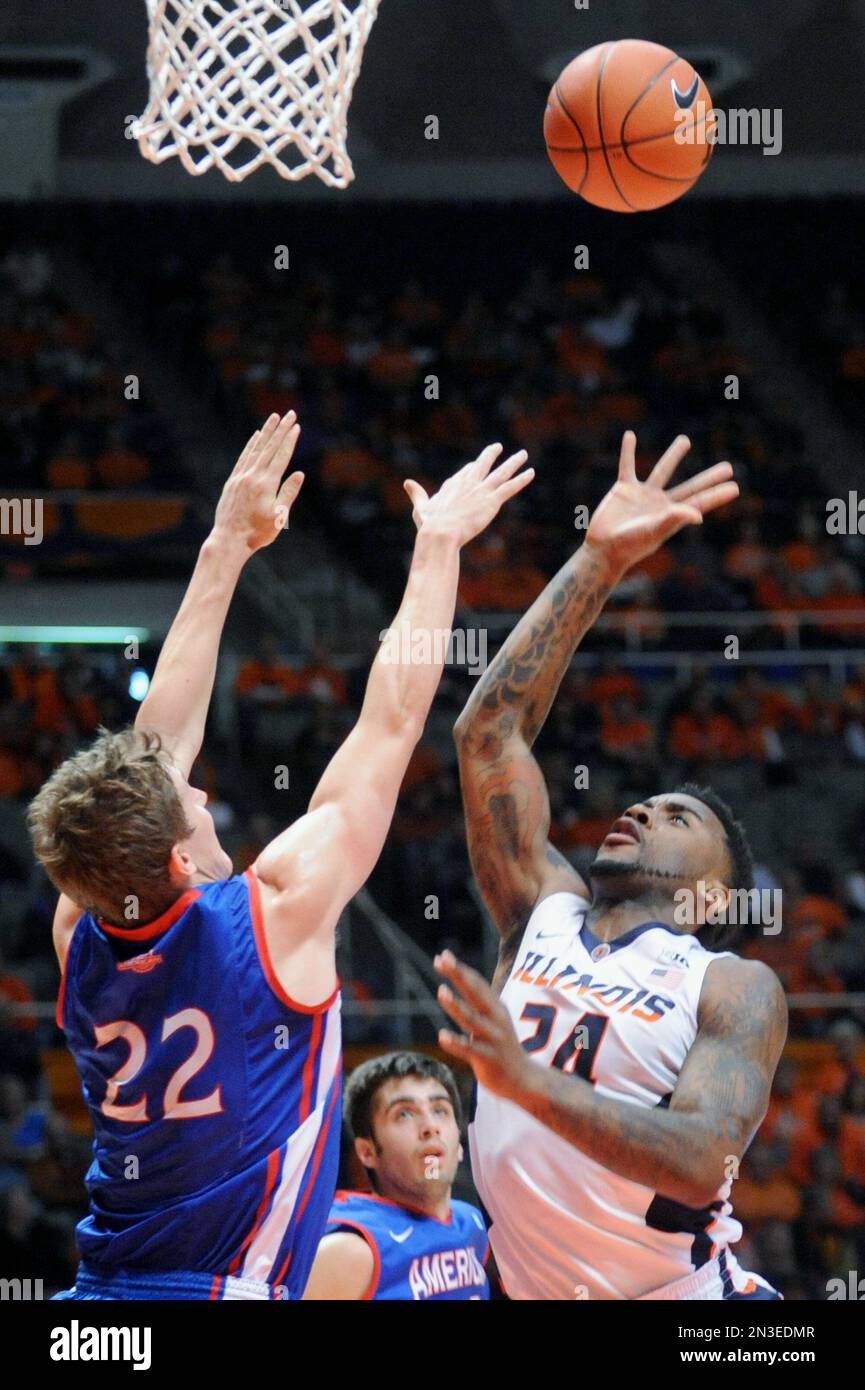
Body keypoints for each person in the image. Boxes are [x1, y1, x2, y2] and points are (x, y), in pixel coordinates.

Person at [28, 411, 532, 1301]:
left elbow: (156, 757)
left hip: (96, 1312)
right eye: (190, 805)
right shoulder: (272, 912)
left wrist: (227, 546)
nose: (202, 793)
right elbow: (391, 719)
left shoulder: (83, 925)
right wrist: (439, 545)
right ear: (180, 863)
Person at [438, 431, 788, 1300]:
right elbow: (488, 735)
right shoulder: (539, 912)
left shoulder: (729, 985)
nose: (639, 810)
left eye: (677, 817)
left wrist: (524, 1082)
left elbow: (703, 1159)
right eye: (645, 802)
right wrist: (597, 559)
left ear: (710, 893)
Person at [304, 1052, 488, 1300]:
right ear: (367, 1152)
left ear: (460, 1145)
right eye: (404, 1114)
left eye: (440, 1110)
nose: (430, 1127)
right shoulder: (350, 1249)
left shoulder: (472, 1224)